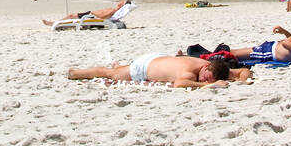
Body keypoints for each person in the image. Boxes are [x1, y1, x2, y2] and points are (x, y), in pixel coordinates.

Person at [68, 54, 239, 88]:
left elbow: (243, 72)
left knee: (119, 70)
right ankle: (76, 73)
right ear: (206, 68)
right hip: (143, 68)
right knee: (108, 74)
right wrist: (208, 86)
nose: (203, 80)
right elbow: (180, 83)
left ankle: (118, 67)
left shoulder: (207, 63)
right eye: (205, 78)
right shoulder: (188, 73)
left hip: (158, 58)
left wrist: (242, 79)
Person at [43, 0, 130, 26]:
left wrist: (93, 13)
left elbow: (103, 16)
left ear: (122, 5)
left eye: (122, 2)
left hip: (91, 16)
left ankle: (54, 23)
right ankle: (56, 22)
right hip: (91, 15)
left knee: (71, 16)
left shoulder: (113, 10)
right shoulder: (114, 10)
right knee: (72, 15)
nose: (120, 1)